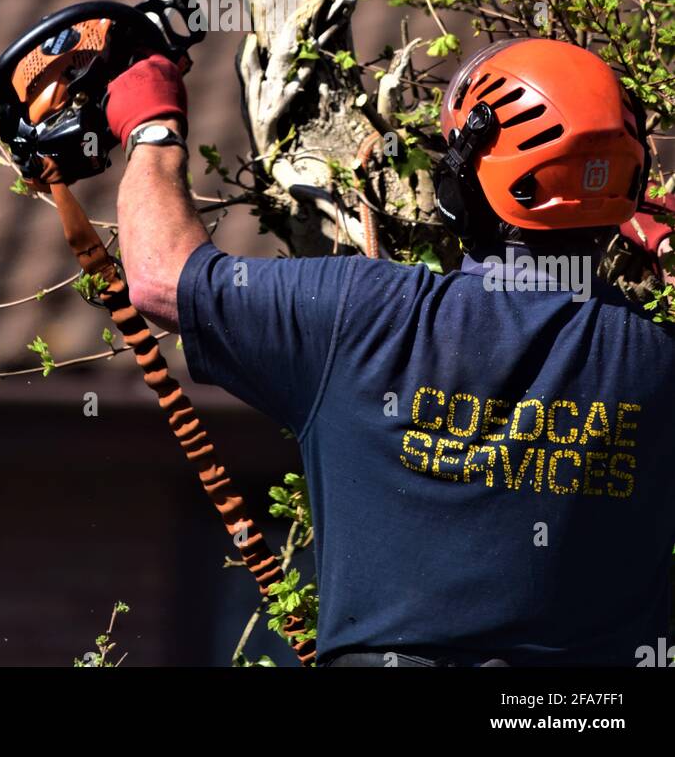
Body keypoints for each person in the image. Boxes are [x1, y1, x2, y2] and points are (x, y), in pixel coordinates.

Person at [105, 38, 675, 668]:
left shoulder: (361, 314)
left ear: (465, 181)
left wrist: (151, 123)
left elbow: (161, 278)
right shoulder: (658, 357)